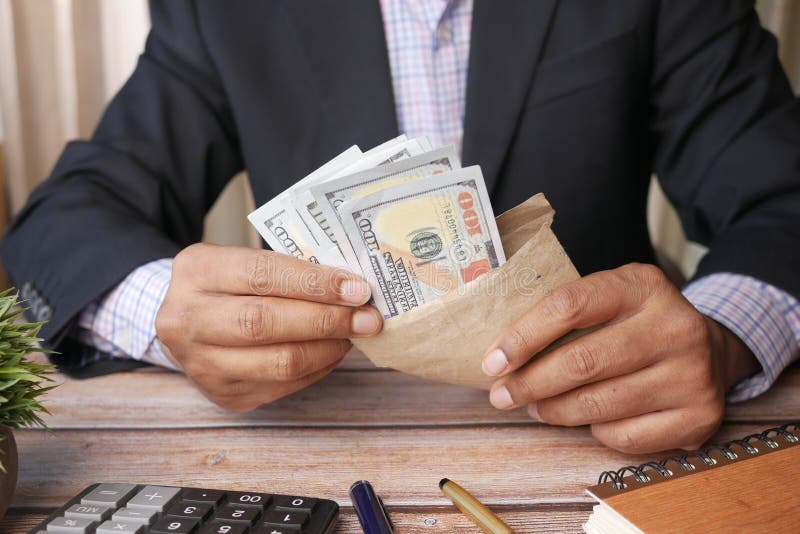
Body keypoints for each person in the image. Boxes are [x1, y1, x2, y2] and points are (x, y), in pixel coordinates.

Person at [1, 0, 799, 454]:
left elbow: (785, 197)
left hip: (600, 441)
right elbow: (69, 215)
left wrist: (720, 336)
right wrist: (167, 312)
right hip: (322, 442)